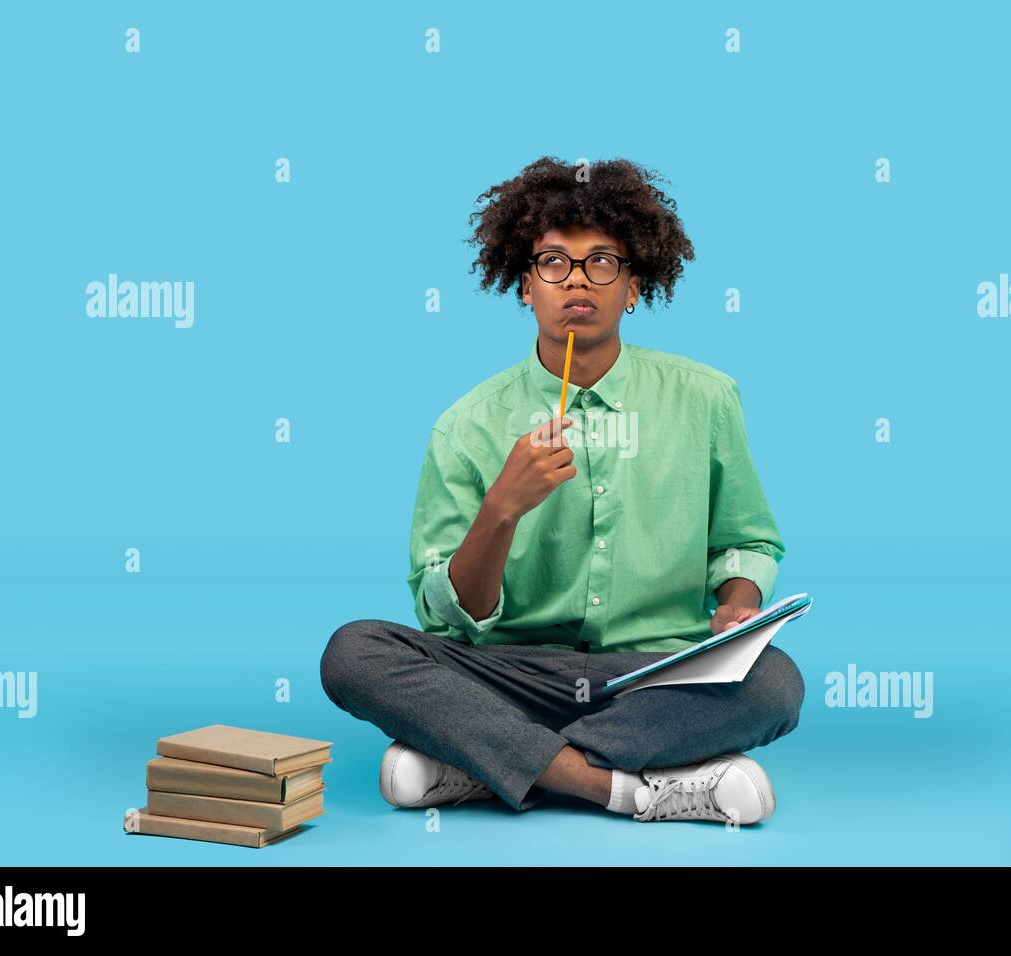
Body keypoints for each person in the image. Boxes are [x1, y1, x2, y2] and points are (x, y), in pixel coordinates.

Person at [320, 156, 804, 824]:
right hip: (509, 675)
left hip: (653, 677)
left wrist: (739, 607)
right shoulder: (467, 425)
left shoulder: (706, 399)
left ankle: (478, 763)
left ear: (634, 287)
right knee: (354, 652)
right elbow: (446, 617)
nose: (577, 279)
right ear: (525, 286)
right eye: (554, 262)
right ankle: (624, 787)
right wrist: (502, 508)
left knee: (775, 682)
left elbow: (745, 542)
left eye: (602, 261)